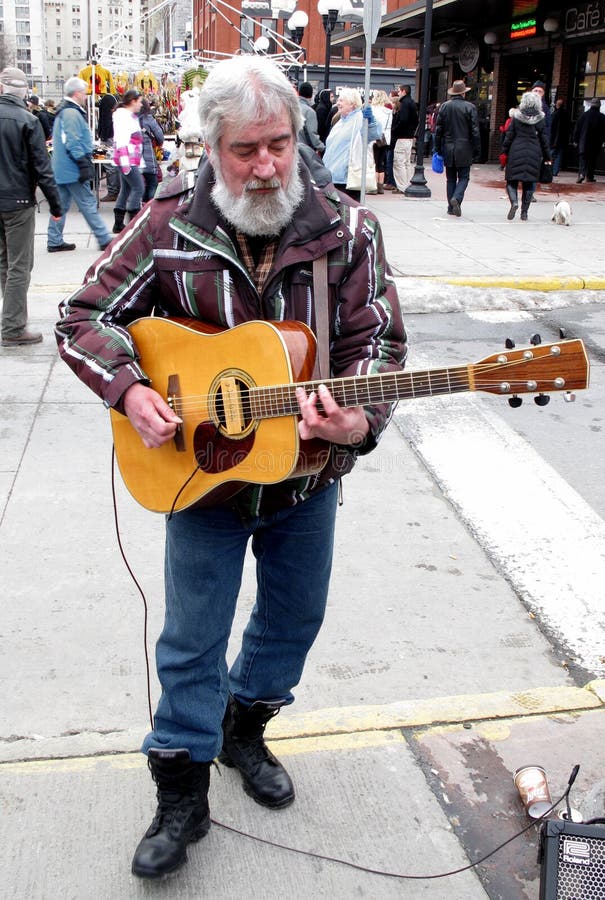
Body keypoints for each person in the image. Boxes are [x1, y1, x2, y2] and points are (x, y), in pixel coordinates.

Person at [55, 54, 407, 880]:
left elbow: (380, 342)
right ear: (211, 145)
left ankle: (243, 728)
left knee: (291, 623)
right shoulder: (169, 223)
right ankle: (180, 785)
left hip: (305, 477)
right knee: (189, 638)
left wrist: (358, 414)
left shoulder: (347, 229)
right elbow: (83, 317)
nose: (266, 166)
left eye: (280, 144)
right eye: (246, 149)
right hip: (200, 477)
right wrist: (131, 389)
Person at [0, 66, 62, 346]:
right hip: (17, 201)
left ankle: (12, 317)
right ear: (24, 91)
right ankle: (12, 326)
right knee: (19, 265)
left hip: (8, 200)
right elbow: (42, 166)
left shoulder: (27, 119)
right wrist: (56, 204)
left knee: (5, 263)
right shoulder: (27, 120)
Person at [47, 77, 112, 254]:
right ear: (76, 93)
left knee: (59, 205)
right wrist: (83, 163)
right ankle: (104, 238)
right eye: (84, 93)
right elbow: (72, 141)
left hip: (63, 168)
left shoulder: (65, 111)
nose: (85, 96)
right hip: (72, 168)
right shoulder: (71, 113)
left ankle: (54, 239)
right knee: (87, 203)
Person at [322, 87, 382, 201]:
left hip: (347, 179)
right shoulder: (340, 121)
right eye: (338, 100)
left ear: (352, 104)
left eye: (341, 100)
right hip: (332, 177)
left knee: (346, 214)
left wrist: (372, 122)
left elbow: (374, 134)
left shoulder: (360, 119)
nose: (337, 103)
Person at [502, 91, 551, 221]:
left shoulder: (516, 118)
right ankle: (524, 212)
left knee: (511, 181)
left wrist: (504, 151)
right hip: (534, 153)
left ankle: (514, 202)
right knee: (529, 184)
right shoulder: (541, 119)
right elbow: (544, 139)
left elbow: (509, 136)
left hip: (516, 151)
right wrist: (548, 156)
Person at [434, 79, 480, 217]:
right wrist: (477, 150)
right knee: (464, 177)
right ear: (463, 93)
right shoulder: (470, 107)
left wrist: (437, 148)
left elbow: (438, 130)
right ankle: (457, 198)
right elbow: (475, 131)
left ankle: (450, 206)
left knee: (451, 178)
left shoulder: (444, 107)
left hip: (448, 146)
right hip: (465, 147)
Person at [111, 88, 145, 232]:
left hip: (127, 160)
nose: (141, 105)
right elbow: (122, 141)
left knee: (126, 189)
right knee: (139, 187)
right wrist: (126, 164)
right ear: (132, 101)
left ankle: (119, 224)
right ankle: (133, 221)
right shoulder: (124, 118)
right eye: (140, 102)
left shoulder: (126, 116)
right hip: (128, 160)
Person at [573, 98, 605, 183]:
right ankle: (590, 176)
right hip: (596, 143)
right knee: (592, 160)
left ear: (591, 105)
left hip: (584, 142)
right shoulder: (602, 117)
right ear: (599, 106)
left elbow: (577, 128)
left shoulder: (584, 115)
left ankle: (582, 174)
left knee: (583, 159)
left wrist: (575, 140)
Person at [390, 84, 418, 193]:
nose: (398, 93)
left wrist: (394, 129)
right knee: (406, 162)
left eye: (399, 91)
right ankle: (406, 184)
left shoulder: (404, 103)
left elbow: (403, 120)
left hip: (401, 137)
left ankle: (402, 186)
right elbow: (415, 121)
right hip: (409, 137)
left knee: (399, 162)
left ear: (404, 91)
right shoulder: (412, 103)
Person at [139, 98, 164, 202]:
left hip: (134, 158)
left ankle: (140, 209)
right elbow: (160, 136)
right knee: (152, 183)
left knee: (139, 186)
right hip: (148, 157)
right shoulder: (148, 119)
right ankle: (150, 209)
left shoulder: (128, 119)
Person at [97, 92, 120, 202]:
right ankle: (115, 191)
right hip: (111, 137)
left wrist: (102, 136)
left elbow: (104, 122)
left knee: (110, 165)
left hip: (108, 138)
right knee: (113, 165)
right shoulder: (116, 117)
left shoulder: (106, 101)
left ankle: (113, 192)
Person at [370, 90, 392, 194]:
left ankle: (374, 186)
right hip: (385, 138)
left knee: (374, 162)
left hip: (375, 138)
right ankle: (381, 187)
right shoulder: (389, 112)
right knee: (381, 162)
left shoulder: (373, 110)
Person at [297, 81, 324, 155]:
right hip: (303, 151)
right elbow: (312, 134)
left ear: (299, 93)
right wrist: (321, 147)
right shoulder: (309, 112)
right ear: (311, 95)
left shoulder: (290, 107)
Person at [549, 99, 570, 176]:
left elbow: (551, 127)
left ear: (557, 105)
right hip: (562, 139)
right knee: (559, 155)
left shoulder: (554, 114)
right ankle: (555, 171)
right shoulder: (566, 114)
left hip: (554, 138)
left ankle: (549, 169)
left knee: (550, 155)